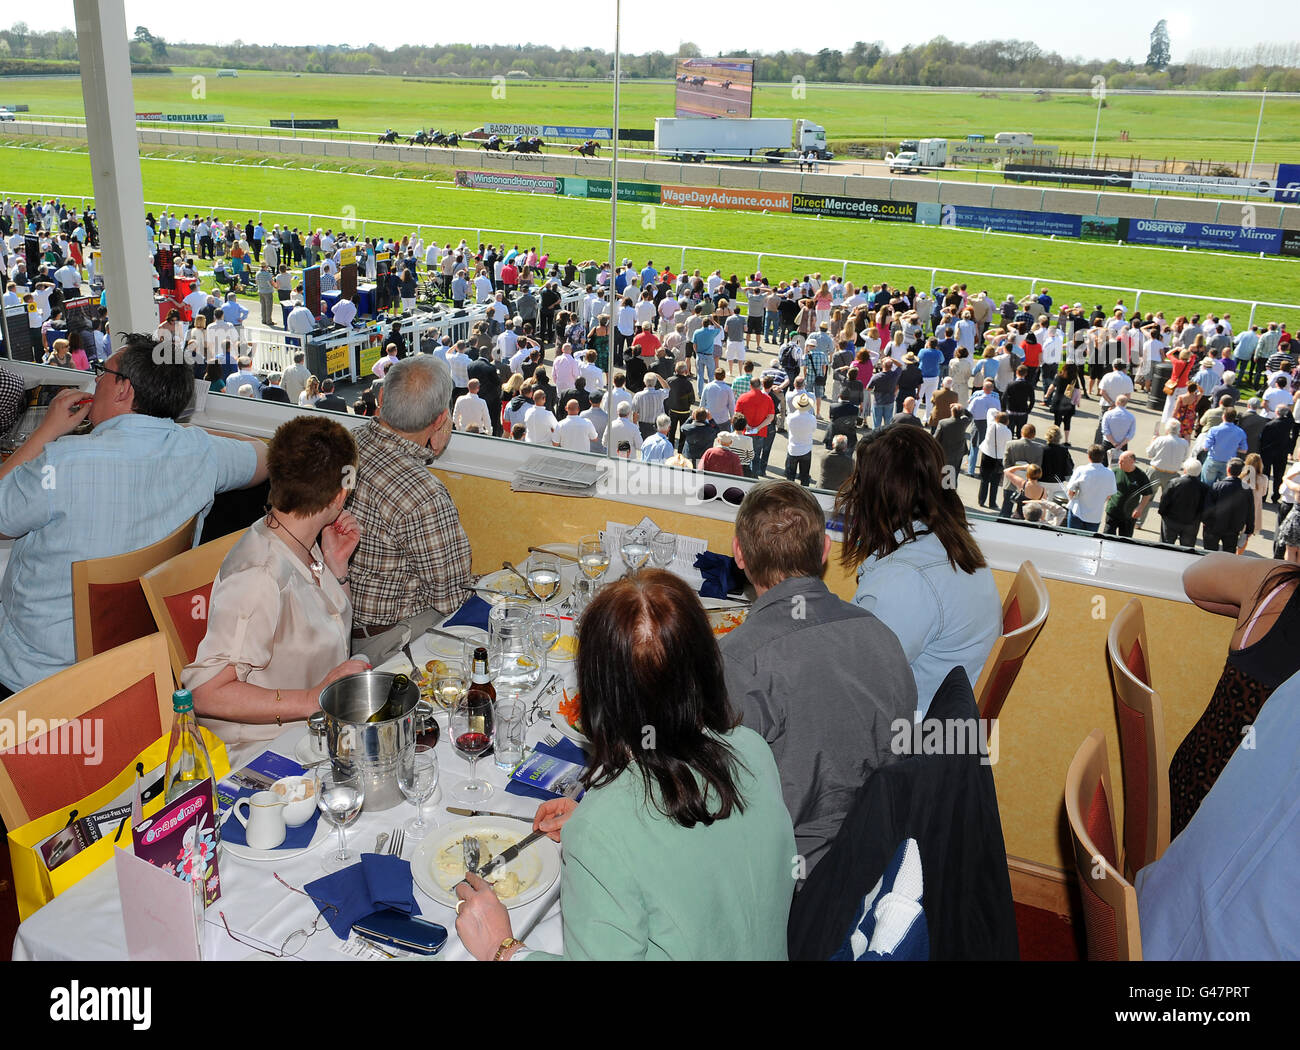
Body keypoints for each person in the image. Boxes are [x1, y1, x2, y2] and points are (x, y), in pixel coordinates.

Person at [454, 572, 797, 960]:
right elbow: (706, 856)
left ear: (598, 693)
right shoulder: (752, 749)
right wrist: (610, 828)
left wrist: (504, 949)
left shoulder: (603, 831)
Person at [0, 335, 268, 697]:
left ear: (123, 389)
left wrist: (46, 431)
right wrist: (175, 431)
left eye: (101, 373)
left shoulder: (61, 461)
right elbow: (265, 455)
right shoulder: (202, 453)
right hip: (137, 658)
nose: (95, 381)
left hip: (37, 672)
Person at [720, 482, 917, 878]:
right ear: (825, 549)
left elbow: (710, 794)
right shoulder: (883, 636)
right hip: (876, 851)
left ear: (739, 554)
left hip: (782, 872)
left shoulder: (738, 661)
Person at [183, 416, 366, 765]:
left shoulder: (301, 536)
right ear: (341, 495)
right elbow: (205, 694)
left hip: (313, 734)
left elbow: (331, 638)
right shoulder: (260, 577)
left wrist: (336, 569)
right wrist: (312, 700)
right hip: (264, 754)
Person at [835, 424, 1000, 715]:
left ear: (879, 494)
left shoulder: (908, 579)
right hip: (936, 716)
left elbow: (856, 680)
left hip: (909, 735)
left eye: (860, 481)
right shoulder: (946, 543)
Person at [347, 356, 473, 665]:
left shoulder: (347, 442)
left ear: (381, 398)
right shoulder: (423, 496)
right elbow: (451, 597)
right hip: (386, 640)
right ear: (441, 419)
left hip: (339, 624)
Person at [1166, 556, 1300, 840]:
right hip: (1241, 827)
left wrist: (1252, 599)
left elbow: (1194, 580)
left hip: (1196, 788)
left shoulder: (1277, 587)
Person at [1201, 458, 1254, 553]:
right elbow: (1250, 511)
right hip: (1233, 528)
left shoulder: (1216, 486)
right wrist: (1249, 529)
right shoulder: (1247, 489)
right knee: (1228, 554)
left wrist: (1205, 521)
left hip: (1214, 526)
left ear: (1228, 470)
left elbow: (1208, 507)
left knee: (1209, 554)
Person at [1064, 445, 1118, 533]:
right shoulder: (1109, 473)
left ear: (1089, 456)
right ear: (1102, 457)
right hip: (1095, 516)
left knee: (1072, 541)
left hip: (1077, 512)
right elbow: (1110, 495)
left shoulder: (1081, 470)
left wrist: (1072, 499)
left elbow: (1071, 490)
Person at [1101, 451, 1153, 539]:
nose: (1119, 463)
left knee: (1125, 540)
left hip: (1129, 515)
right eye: (1119, 460)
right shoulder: (1115, 471)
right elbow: (1106, 487)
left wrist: (1140, 508)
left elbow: (1147, 494)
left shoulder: (1140, 475)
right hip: (1113, 511)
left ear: (1132, 462)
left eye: (1122, 461)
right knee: (1107, 537)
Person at [1158, 459, 1209, 548]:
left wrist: (1163, 513)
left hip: (1171, 520)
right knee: (1187, 549)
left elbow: (1164, 500)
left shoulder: (1174, 482)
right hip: (1191, 523)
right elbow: (1204, 506)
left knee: (1165, 546)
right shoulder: (1204, 488)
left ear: (1185, 470)